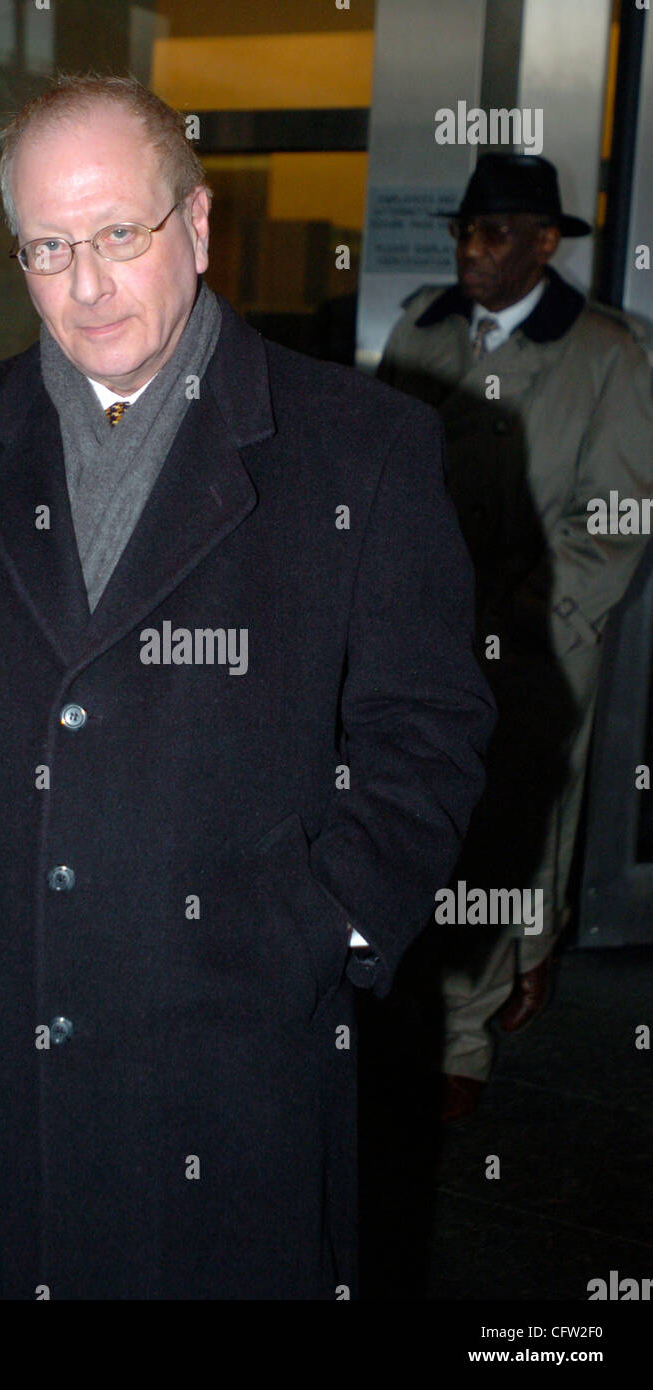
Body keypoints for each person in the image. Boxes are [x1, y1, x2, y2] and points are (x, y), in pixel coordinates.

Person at [0, 73, 495, 1299]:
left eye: (119, 233)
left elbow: (428, 728)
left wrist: (321, 929)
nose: (86, 284)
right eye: (48, 246)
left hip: (229, 1054)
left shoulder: (359, 447)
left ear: (197, 225)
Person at [378, 153, 653, 1120]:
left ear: (544, 242)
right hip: (422, 625)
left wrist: (534, 618)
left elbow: (618, 516)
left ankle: (468, 1031)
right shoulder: (424, 328)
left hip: (536, 633)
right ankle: (503, 966)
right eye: (464, 232)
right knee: (423, 808)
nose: (472, 252)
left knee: (513, 822)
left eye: (495, 234)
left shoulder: (608, 353)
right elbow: (381, 475)